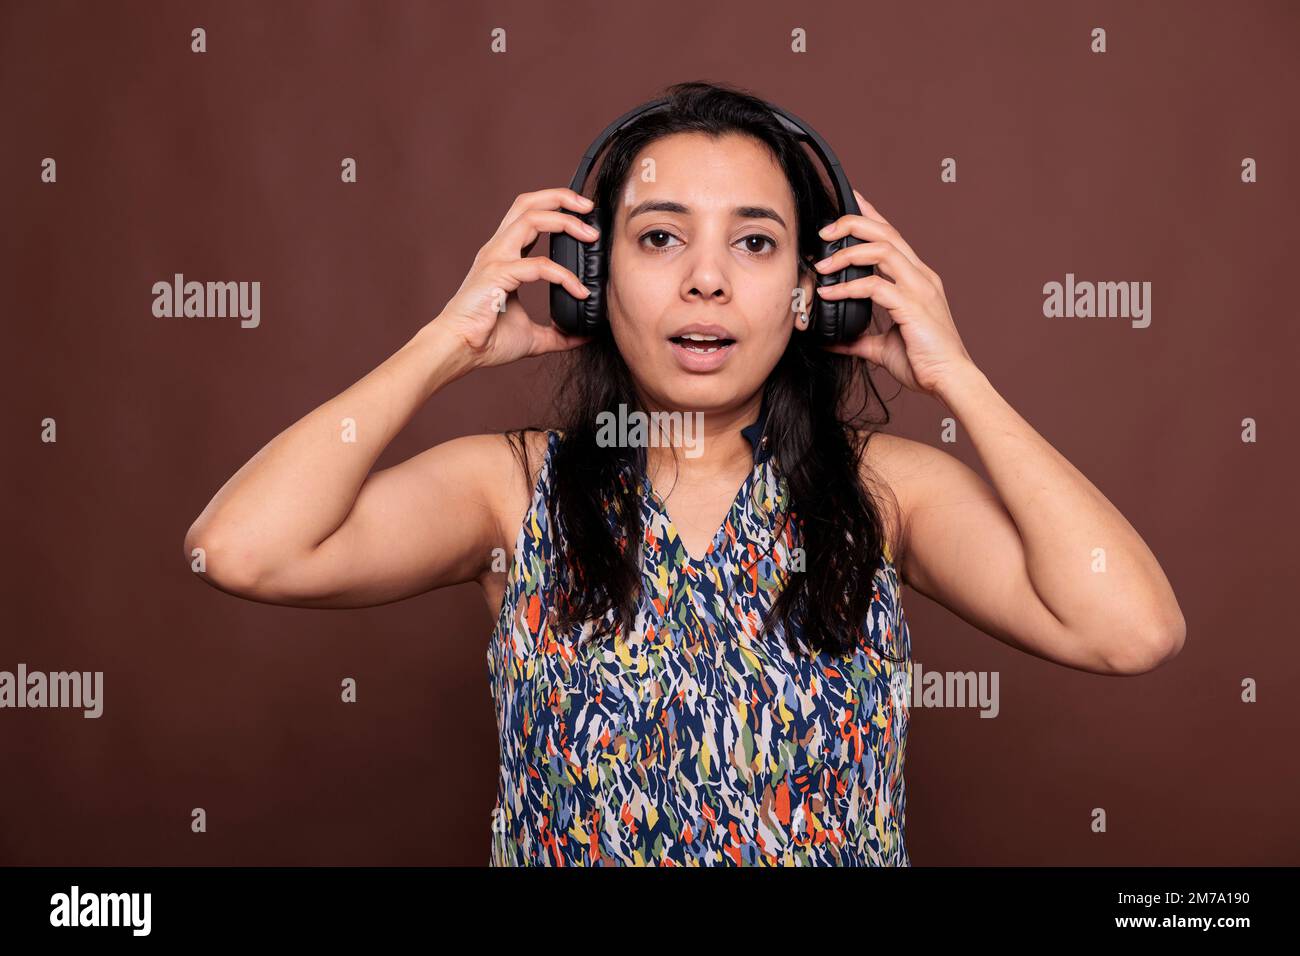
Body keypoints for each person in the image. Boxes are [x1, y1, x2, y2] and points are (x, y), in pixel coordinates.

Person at [183, 81, 1186, 866]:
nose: (705, 277)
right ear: (590, 279)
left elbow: (1130, 629)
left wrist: (961, 378)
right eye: (659, 237)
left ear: (812, 296)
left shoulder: (889, 495)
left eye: (754, 242)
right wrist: (445, 341)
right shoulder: (508, 490)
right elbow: (241, 548)